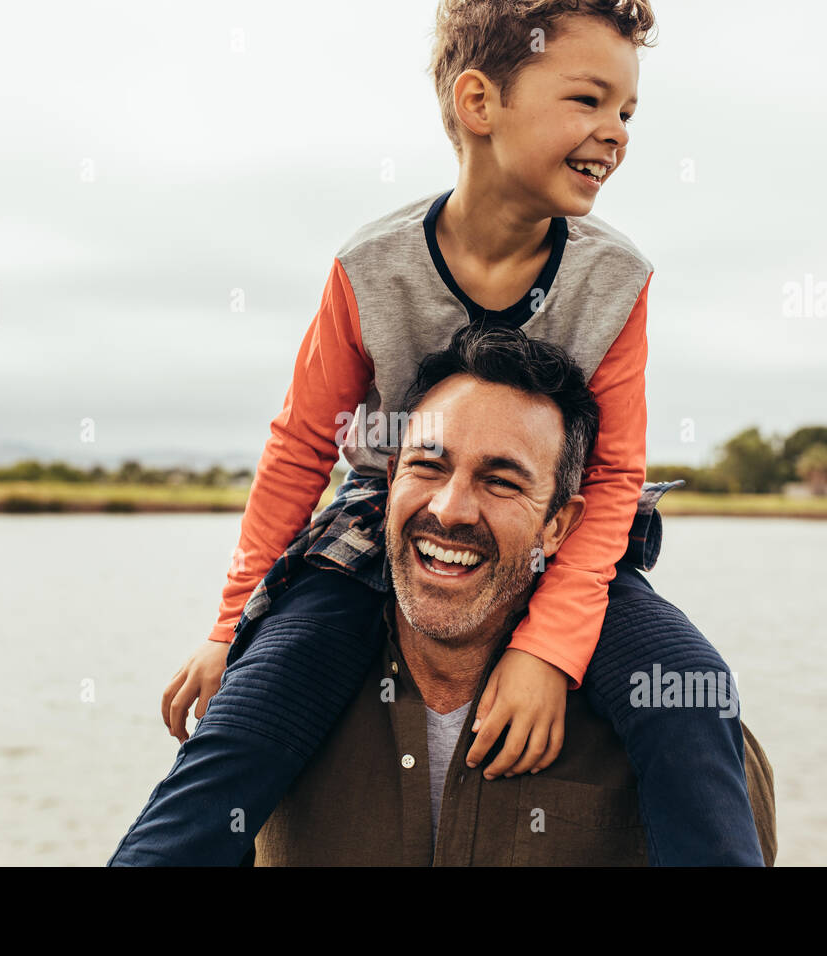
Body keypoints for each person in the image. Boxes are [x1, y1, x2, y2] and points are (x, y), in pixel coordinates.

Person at [109, 0, 764, 865]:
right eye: (588, 100)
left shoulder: (618, 280)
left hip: (565, 540)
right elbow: (303, 448)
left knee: (690, 691)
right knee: (248, 722)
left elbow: (609, 481)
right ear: (480, 103)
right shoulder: (369, 269)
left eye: (628, 112)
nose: (616, 132)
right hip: (380, 529)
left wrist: (546, 651)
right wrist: (233, 626)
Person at [248, 326, 776, 864]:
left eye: (501, 482)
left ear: (558, 525)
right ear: (389, 481)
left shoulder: (673, 724)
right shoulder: (271, 702)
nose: (450, 510)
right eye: (428, 466)